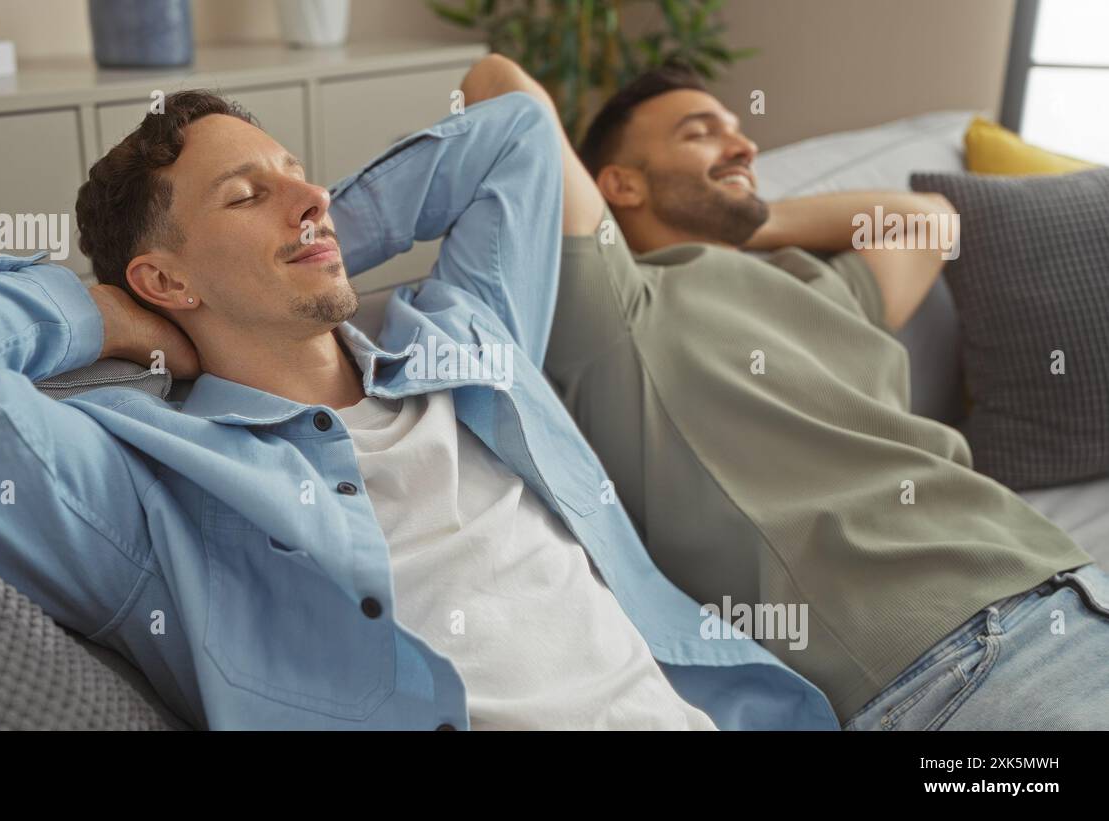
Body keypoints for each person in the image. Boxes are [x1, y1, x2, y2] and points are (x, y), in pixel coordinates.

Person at [0, 57, 836, 730]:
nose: (312, 197)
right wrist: (101, 312)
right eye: (244, 195)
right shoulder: (153, 488)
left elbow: (513, 131)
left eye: (300, 173)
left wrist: (299, 234)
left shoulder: (466, 342)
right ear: (164, 280)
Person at [466, 54, 1109, 730]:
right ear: (620, 185)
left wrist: (755, 220)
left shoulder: (812, 285)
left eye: (738, 131)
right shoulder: (613, 308)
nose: (743, 143)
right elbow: (496, 82)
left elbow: (932, 221)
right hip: (963, 660)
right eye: (699, 132)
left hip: (1069, 589)